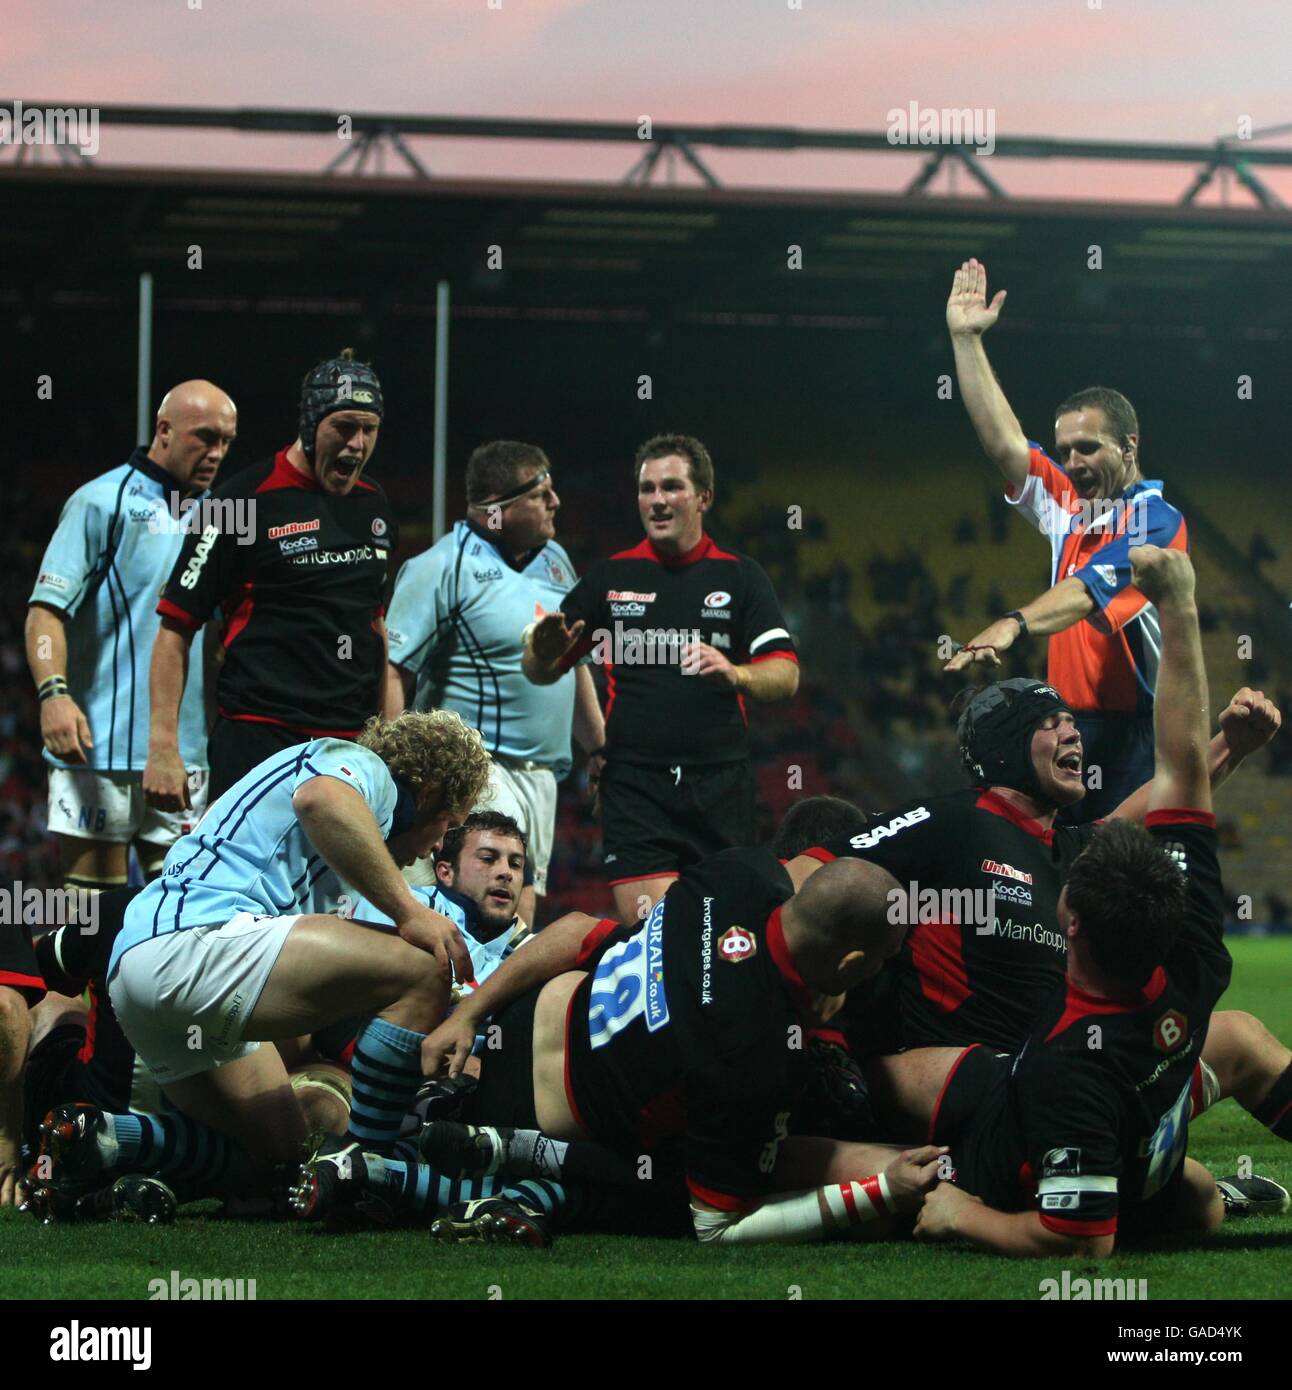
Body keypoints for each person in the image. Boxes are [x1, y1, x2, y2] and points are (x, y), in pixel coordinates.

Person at [907, 547, 1275, 1252]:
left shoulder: (1070, 850)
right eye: (1053, 722)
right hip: (1017, 1086)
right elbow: (1176, 790)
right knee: (1195, 1202)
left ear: (1070, 915)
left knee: (1234, 1069)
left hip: (1071, 1081)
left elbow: (1166, 795)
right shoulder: (957, 829)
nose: (1074, 731)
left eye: (1072, 720)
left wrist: (1226, 742)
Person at [414, 844, 950, 1246]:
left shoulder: (736, 871)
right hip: (537, 1116)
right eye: (881, 960)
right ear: (850, 962)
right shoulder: (757, 1059)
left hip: (526, 1014)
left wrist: (469, 1013)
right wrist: (879, 1193)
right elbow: (717, 1228)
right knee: (682, 1184)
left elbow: (579, 928)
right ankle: (528, 1175)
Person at [102, 710, 489, 1183]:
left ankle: (107, 1140)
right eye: (447, 827)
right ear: (427, 793)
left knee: (283, 1152)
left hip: (137, 976)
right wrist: (410, 913)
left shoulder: (347, 862)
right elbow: (319, 799)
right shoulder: (365, 768)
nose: (435, 848)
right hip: (198, 943)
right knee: (424, 968)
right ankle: (368, 1173)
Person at [944, 259, 1189, 821]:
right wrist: (966, 341)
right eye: (1064, 451)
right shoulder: (1069, 505)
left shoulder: (1158, 520)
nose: (1072, 463)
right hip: (1070, 727)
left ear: (1129, 446)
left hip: (1137, 736)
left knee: (1122, 882)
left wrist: (1014, 623)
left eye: (1088, 448)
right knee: (1066, 877)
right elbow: (1004, 443)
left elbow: (1087, 591)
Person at [522, 433, 799, 924]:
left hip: (722, 786)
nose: (657, 501)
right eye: (647, 489)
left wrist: (736, 674)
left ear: (703, 497)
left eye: (671, 487)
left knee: (723, 934)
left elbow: (786, 675)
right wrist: (540, 653)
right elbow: (544, 670)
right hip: (636, 788)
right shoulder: (609, 579)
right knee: (661, 934)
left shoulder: (741, 577)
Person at [145, 349, 396, 804]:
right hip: (257, 741)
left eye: (369, 429)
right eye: (344, 427)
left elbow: (374, 628)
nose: (357, 444)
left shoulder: (374, 504)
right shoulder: (237, 503)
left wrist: (391, 742)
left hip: (349, 747)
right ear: (309, 426)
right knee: (244, 878)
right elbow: (175, 628)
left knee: (337, 879)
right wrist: (164, 747)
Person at [26, 381, 237, 894]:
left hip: (185, 755)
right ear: (164, 430)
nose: (216, 453)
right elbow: (44, 612)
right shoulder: (100, 502)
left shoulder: (224, 516)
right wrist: (54, 695)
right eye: (204, 437)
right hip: (98, 748)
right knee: (90, 921)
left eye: (227, 441)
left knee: (182, 920)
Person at [382, 441, 604, 926]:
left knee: (520, 911)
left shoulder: (557, 563)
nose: (556, 502)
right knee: (486, 905)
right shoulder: (442, 567)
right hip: (479, 765)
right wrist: (398, 778)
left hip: (543, 775)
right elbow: (395, 666)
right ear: (495, 511)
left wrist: (602, 750)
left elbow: (575, 662)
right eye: (540, 493)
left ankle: (492, 1002)